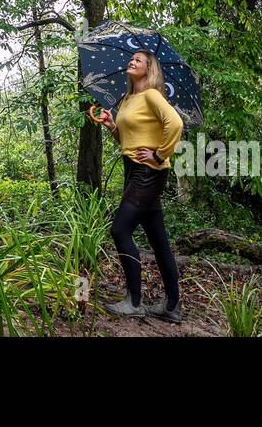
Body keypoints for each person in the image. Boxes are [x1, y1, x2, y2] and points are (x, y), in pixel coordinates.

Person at [90, 51, 184, 322]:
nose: (132, 61)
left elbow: (175, 123)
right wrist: (111, 126)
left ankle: (134, 301)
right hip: (134, 169)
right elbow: (129, 142)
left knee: (120, 230)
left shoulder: (153, 95)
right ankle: (172, 306)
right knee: (158, 240)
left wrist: (159, 154)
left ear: (149, 69)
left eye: (138, 60)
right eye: (131, 59)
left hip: (148, 172)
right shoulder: (129, 99)